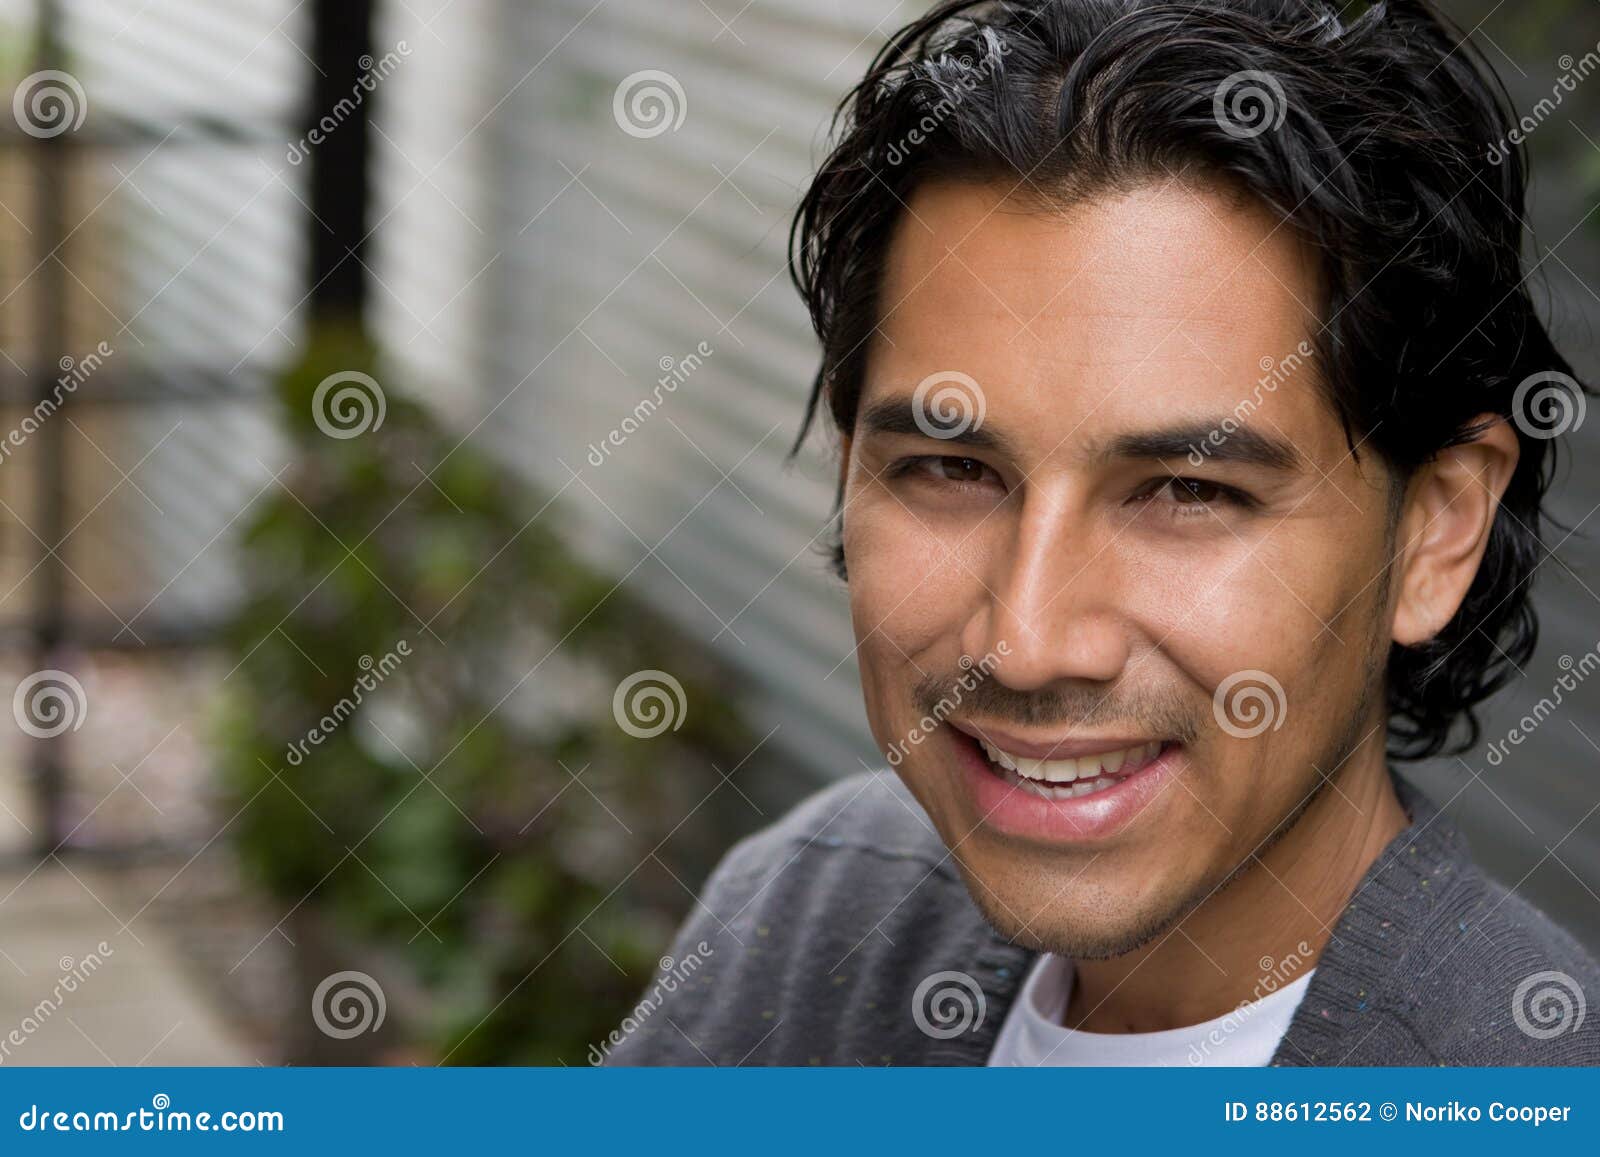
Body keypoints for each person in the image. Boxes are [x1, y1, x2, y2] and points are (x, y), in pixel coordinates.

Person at [604, 0, 1600, 1066]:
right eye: (950, 469)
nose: (1025, 641)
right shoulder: (813, 912)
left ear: (1436, 529)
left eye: (1185, 490)